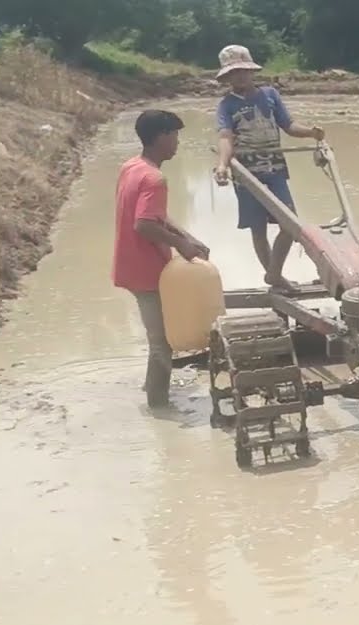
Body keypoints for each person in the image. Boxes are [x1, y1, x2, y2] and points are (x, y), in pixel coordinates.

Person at [113, 109, 210, 409]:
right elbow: (143, 224)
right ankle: (159, 407)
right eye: (175, 136)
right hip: (147, 270)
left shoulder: (132, 167)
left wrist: (186, 236)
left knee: (161, 338)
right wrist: (181, 245)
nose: (178, 143)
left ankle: (152, 390)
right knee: (161, 343)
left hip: (129, 265)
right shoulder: (155, 178)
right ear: (161, 137)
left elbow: (154, 215)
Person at [210, 44, 324, 293]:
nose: (239, 76)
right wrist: (222, 165)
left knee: (290, 224)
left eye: (243, 71)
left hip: (275, 169)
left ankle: (272, 273)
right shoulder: (227, 105)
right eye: (233, 73)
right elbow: (226, 137)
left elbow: (288, 125)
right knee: (258, 228)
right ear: (227, 77)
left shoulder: (270, 95)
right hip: (247, 174)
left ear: (252, 72)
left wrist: (311, 133)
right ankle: (277, 277)